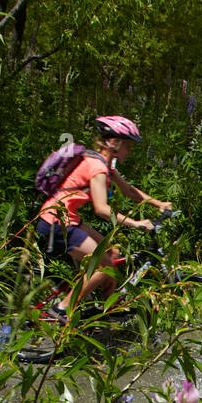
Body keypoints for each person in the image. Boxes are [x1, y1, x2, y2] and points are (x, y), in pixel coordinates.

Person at [36, 116, 173, 313]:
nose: (129, 152)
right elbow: (101, 208)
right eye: (128, 147)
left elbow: (129, 190)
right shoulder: (97, 167)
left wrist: (158, 203)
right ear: (115, 144)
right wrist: (135, 223)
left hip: (68, 219)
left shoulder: (101, 162)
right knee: (104, 266)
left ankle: (108, 311)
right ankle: (62, 308)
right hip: (56, 223)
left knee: (112, 253)